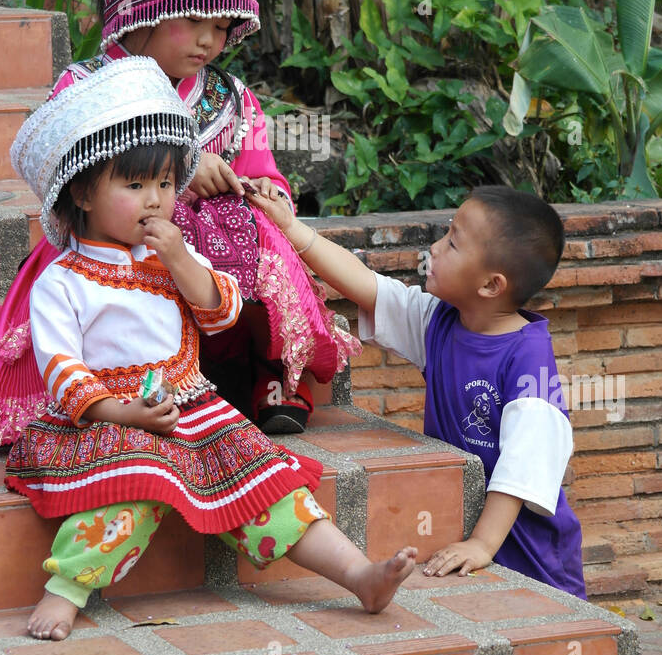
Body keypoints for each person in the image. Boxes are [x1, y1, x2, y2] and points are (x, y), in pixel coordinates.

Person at [4, 56, 418, 640]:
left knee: (272, 486)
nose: (155, 200)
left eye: (167, 184)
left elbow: (221, 310)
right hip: (107, 419)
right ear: (82, 191)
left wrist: (179, 258)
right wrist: (122, 412)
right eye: (134, 184)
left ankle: (358, 573)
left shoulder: (172, 256)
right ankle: (68, 588)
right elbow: (61, 367)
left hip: (197, 408)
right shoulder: (63, 281)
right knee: (132, 487)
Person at [0, 0, 357, 446]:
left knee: (259, 229)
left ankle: (277, 374)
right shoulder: (88, 85)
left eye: (220, 27)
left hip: (206, 262)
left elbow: (266, 173)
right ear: (148, 10)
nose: (208, 41)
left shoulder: (231, 97)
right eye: (192, 21)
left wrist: (258, 193)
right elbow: (69, 178)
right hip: (111, 245)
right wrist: (180, 176)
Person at [246, 182, 586, 598]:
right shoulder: (443, 322)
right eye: (446, 232)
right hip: (464, 537)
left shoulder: (529, 360)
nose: (435, 248)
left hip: (532, 554)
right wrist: (293, 230)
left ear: (491, 286)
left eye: (453, 243)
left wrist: (481, 544)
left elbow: (522, 470)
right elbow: (369, 286)